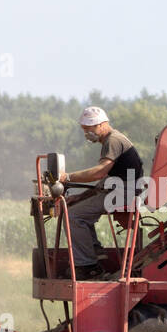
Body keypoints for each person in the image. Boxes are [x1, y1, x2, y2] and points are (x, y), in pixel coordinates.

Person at [61, 106, 144, 279]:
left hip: (124, 193)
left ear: (101, 125)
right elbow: (105, 180)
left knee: (73, 216)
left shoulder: (113, 141)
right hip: (120, 190)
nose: (86, 133)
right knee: (77, 208)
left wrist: (67, 177)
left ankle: (88, 266)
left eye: (89, 129)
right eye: (84, 129)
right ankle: (95, 250)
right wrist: (80, 197)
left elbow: (100, 172)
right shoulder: (112, 140)